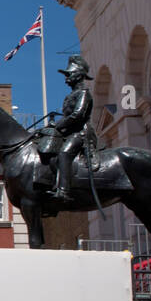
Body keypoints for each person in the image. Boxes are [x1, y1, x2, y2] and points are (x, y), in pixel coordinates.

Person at [49, 55, 93, 201]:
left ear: (79, 75)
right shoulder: (70, 95)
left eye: (70, 74)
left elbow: (77, 115)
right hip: (68, 132)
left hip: (80, 133)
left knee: (64, 153)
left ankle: (64, 191)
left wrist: (59, 125)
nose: (66, 77)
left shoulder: (83, 93)